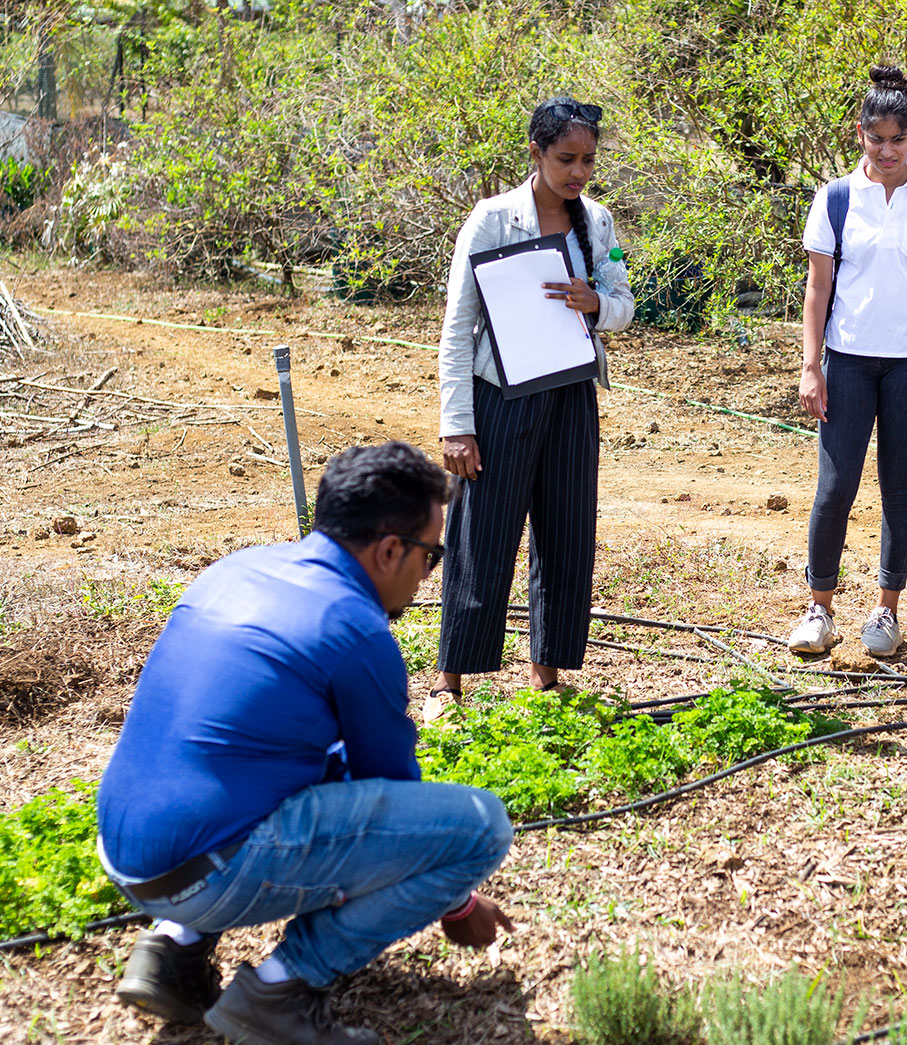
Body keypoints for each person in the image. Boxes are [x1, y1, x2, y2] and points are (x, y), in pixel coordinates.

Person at [98, 442, 515, 1045]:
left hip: (127, 855)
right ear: (391, 549)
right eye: (433, 556)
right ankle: (279, 992)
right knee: (479, 827)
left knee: (287, 761)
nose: (430, 575)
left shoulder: (239, 568)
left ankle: (172, 952)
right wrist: (455, 902)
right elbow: (395, 805)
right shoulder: (354, 627)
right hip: (208, 871)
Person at [431, 96, 634, 713]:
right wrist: (457, 425)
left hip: (572, 396)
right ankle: (450, 682)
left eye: (588, 161)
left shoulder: (596, 225)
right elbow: (457, 325)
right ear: (536, 153)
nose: (578, 172)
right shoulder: (493, 219)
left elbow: (625, 303)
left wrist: (595, 302)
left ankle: (547, 673)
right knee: (482, 534)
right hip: (502, 397)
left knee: (567, 531)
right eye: (566, 158)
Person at [789, 65, 907, 658]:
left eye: (899, 139)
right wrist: (810, 364)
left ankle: (885, 613)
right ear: (860, 134)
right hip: (845, 361)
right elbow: (818, 288)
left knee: (898, 486)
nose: (887, 150)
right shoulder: (836, 198)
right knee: (834, 486)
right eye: (876, 138)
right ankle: (819, 608)